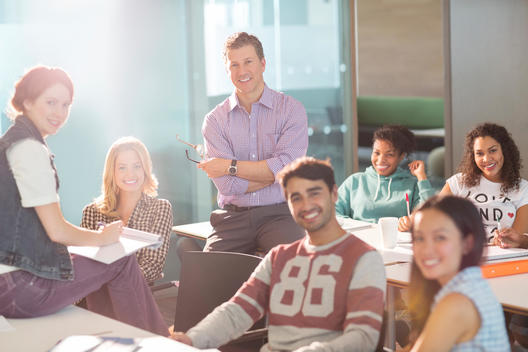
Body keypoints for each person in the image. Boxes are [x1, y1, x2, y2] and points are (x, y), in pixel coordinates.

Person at [0, 66, 168, 336]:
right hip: (21, 290)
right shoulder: (30, 150)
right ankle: (158, 342)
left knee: (97, 264)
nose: (59, 112)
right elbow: (57, 231)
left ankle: (119, 338)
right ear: (28, 101)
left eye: (65, 105)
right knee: (120, 259)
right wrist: (103, 237)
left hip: (9, 286)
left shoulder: (8, 144)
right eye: (51, 102)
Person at [172, 157, 386, 351]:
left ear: (334, 194)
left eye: (314, 193)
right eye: (296, 198)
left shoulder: (364, 258)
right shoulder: (279, 257)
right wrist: (192, 339)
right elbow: (236, 311)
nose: (306, 205)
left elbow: (363, 338)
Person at [195, 31, 308, 254]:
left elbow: (287, 171)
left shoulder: (291, 110)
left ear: (263, 63)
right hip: (232, 218)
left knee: (296, 268)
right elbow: (229, 186)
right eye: (234, 65)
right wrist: (273, 173)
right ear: (227, 70)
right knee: (206, 279)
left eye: (248, 62)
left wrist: (229, 167)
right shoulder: (214, 121)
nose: (242, 71)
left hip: (281, 214)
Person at [407, 195, 509, 351]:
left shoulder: (456, 304)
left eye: (440, 238)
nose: (426, 250)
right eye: (419, 238)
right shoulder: (472, 284)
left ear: (467, 243)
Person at [81, 136, 172, 283]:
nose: (130, 174)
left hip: (134, 293)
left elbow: (152, 265)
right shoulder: (92, 212)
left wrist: (116, 282)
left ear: (145, 169)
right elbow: (86, 262)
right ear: (113, 172)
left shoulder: (160, 208)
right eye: (122, 167)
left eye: (137, 166)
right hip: (96, 294)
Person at [335, 125, 436, 232]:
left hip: (395, 243)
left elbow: (429, 215)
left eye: (389, 155)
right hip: (359, 240)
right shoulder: (354, 181)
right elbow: (334, 213)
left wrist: (422, 177)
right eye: (376, 153)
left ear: (401, 156)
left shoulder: (412, 185)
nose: (381, 160)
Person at [440, 123, 528, 242]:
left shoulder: (523, 189)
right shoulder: (458, 183)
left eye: (492, 151)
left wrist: (509, 241)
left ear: (505, 151)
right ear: (473, 156)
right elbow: (432, 217)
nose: (486, 159)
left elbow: (518, 240)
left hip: (501, 257)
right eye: (479, 153)